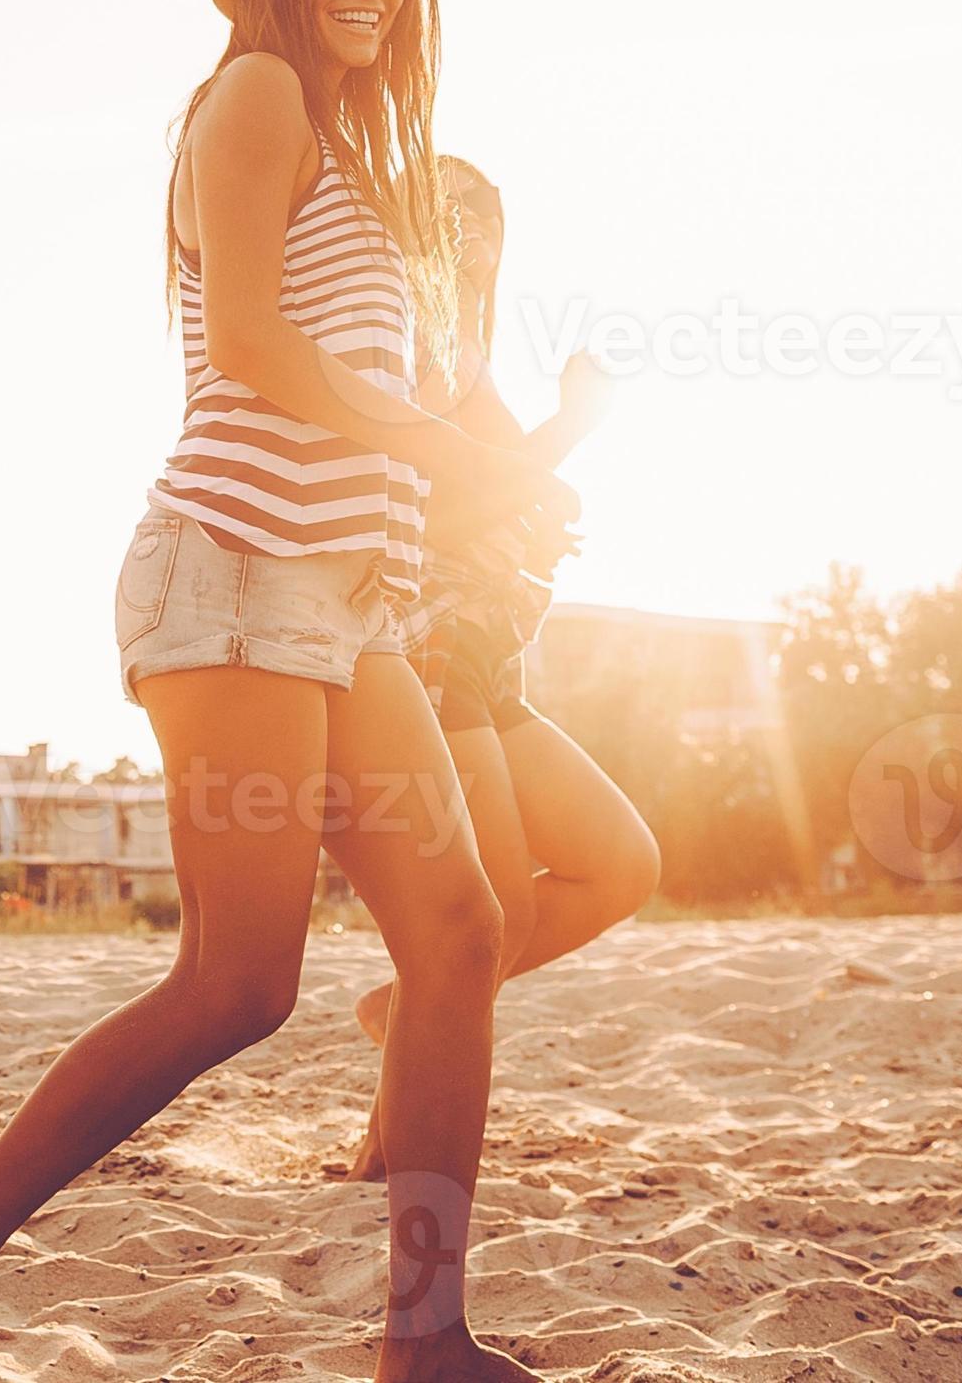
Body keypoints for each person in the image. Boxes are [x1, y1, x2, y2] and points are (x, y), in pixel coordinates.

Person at [0, 0, 573, 1383]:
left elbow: (408, 406)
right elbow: (250, 345)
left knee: (457, 933)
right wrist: (433, 443)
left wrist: (523, 461)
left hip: (345, 594)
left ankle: (424, 1338)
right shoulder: (248, 94)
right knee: (240, 982)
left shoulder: (379, 171)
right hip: (233, 567)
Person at [342, 154, 661, 1183]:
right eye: (447, 210)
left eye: (486, 209)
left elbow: (504, 491)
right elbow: (435, 512)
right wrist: (571, 428)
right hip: (430, 649)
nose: (472, 227)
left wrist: (541, 509)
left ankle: (403, 1023)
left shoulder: (464, 352)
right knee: (495, 912)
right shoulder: (409, 347)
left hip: (488, 653)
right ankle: (388, 1139)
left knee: (619, 862)